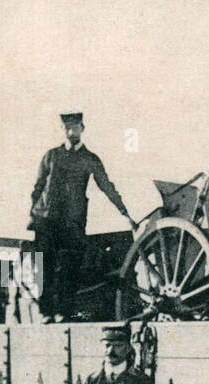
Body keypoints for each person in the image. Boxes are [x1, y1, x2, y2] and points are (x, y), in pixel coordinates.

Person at [29, 112, 136, 322]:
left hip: (73, 224)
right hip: (47, 222)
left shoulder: (90, 159)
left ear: (82, 129)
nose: (71, 132)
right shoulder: (50, 156)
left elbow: (106, 186)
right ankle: (46, 312)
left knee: (70, 269)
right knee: (45, 267)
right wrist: (33, 215)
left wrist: (125, 212)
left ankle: (63, 312)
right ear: (62, 130)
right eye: (67, 128)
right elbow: (38, 187)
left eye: (75, 128)